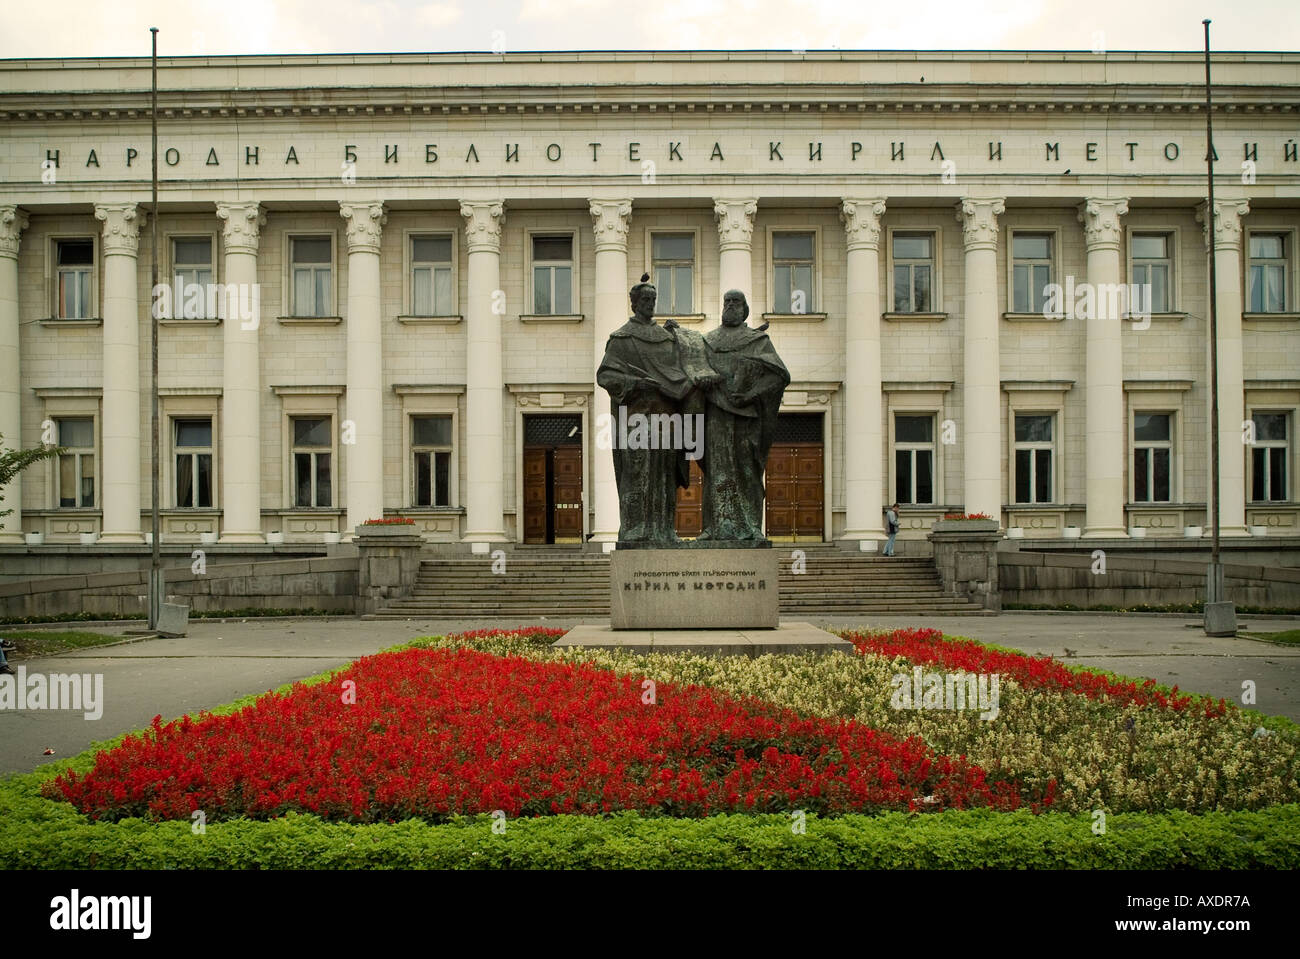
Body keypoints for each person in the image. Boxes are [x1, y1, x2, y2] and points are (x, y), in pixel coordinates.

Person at [596, 274, 697, 546]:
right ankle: (635, 531)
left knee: (664, 478)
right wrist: (636, 383)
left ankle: (664, 530)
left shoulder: (666, 338)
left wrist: (679, 337)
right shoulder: (621, 339)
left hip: (667, 421)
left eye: (653, 299)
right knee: (638, 475)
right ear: (634, 303)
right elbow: (606, 375)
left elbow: (684, 368)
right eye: (645, 299)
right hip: (637, 421)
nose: (650, 304)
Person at [686, 290, 790, 544]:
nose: (731, 306)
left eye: (736, 302)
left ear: (745, 309)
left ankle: (751, 526)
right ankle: (714, 527)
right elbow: (693, 369)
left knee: (747, 470)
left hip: (747, 417)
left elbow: (779, 376)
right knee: (716, 470)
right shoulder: (707, 341)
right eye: (727, 302)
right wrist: (703, 380)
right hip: (716, 415)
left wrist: (752, 394)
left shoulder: (757, 341)